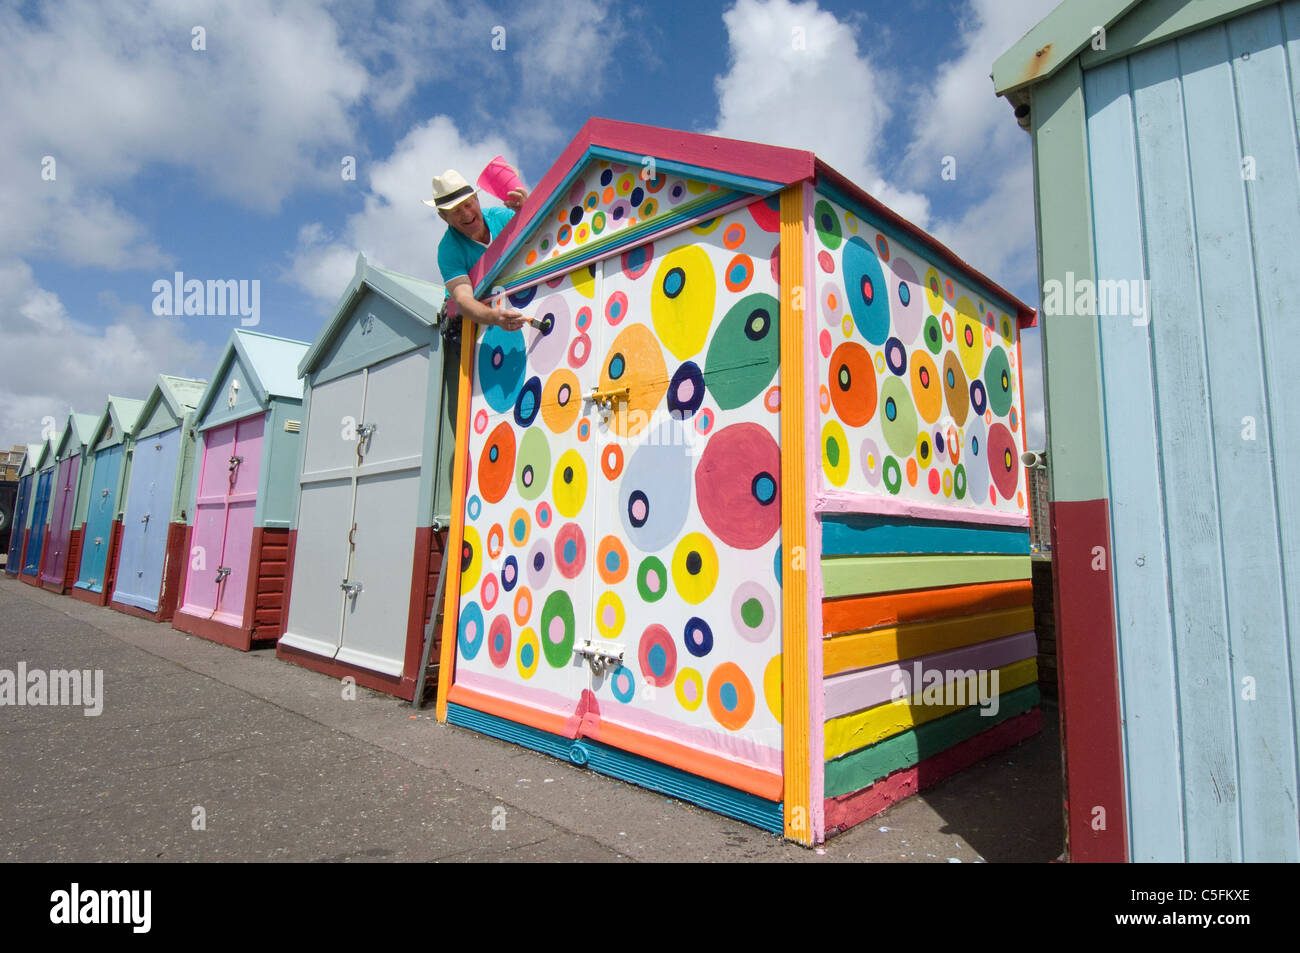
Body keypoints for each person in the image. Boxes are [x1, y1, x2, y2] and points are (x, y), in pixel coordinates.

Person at [425, 169, 528, 331]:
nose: (466, 214)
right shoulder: (448, 250)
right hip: (468, 324)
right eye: (456, 211)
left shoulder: (502, 217)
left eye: (468, 204)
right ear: (444, 218)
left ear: (477, 199)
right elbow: (464, 299)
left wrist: (527, 210)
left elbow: (538, 239)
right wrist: (496, 317)